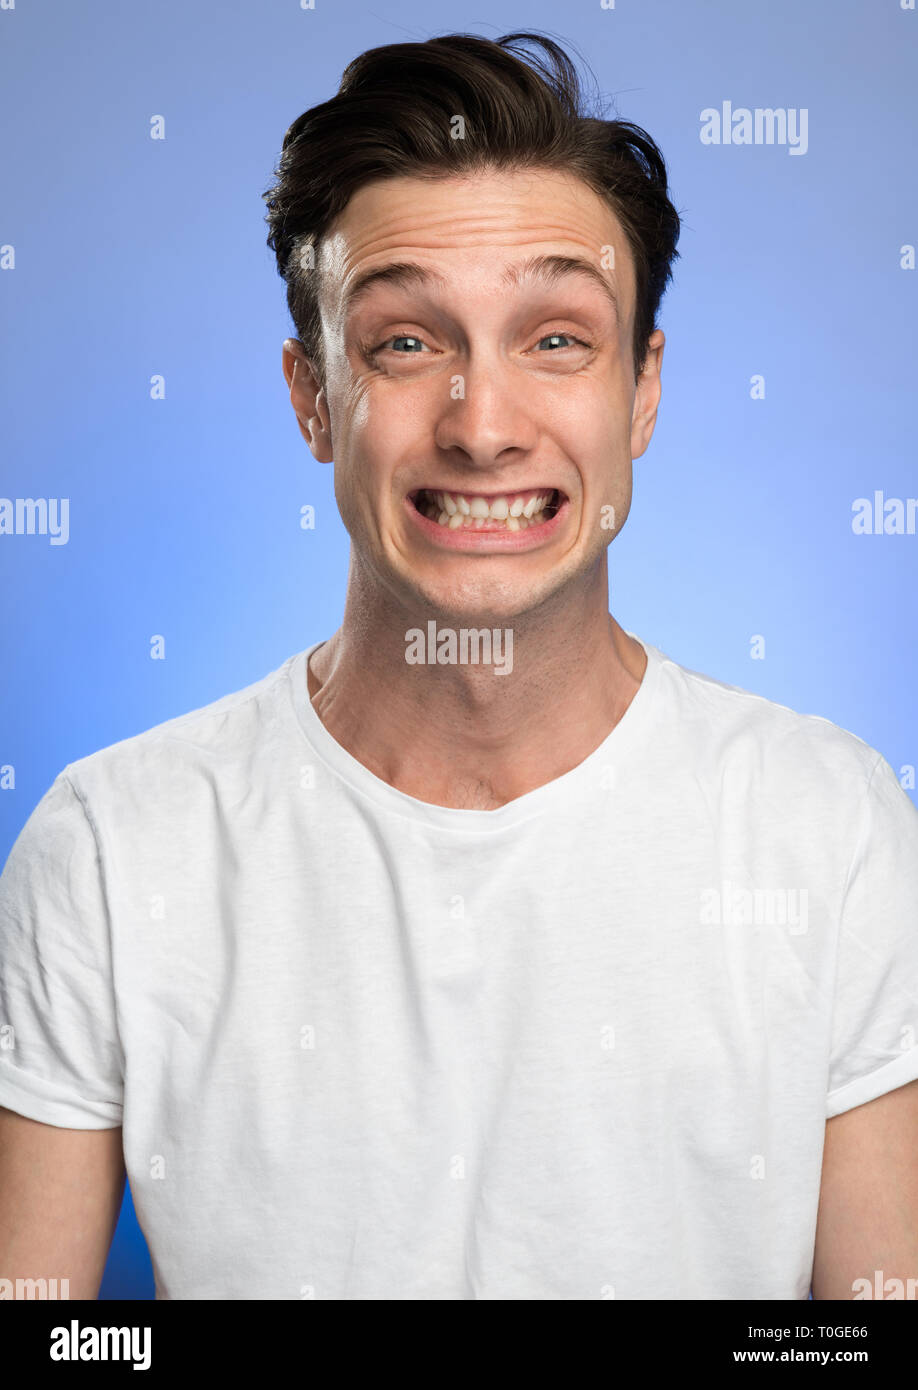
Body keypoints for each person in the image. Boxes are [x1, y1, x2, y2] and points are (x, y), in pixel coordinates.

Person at [1, 31, 916, 1302]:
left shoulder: (834, 829)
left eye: (555, 340)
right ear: (311, 395)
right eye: (404, 344)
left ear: (643, 391)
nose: (484, 427)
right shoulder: (109, 847)